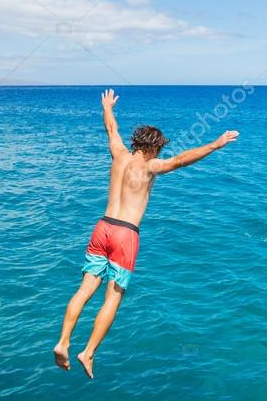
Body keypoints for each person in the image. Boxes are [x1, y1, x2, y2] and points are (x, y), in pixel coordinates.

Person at [53, 89, 239, 378]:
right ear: (154, 148)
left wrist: (107, 107)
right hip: (125, 234)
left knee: (84, 290)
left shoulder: (118, 154)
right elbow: (181, 160)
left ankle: (63, 342)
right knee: (111, 298)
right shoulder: (151, 166)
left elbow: (111, 128)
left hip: (102, 227)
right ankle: (87, 352)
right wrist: (215, 144)